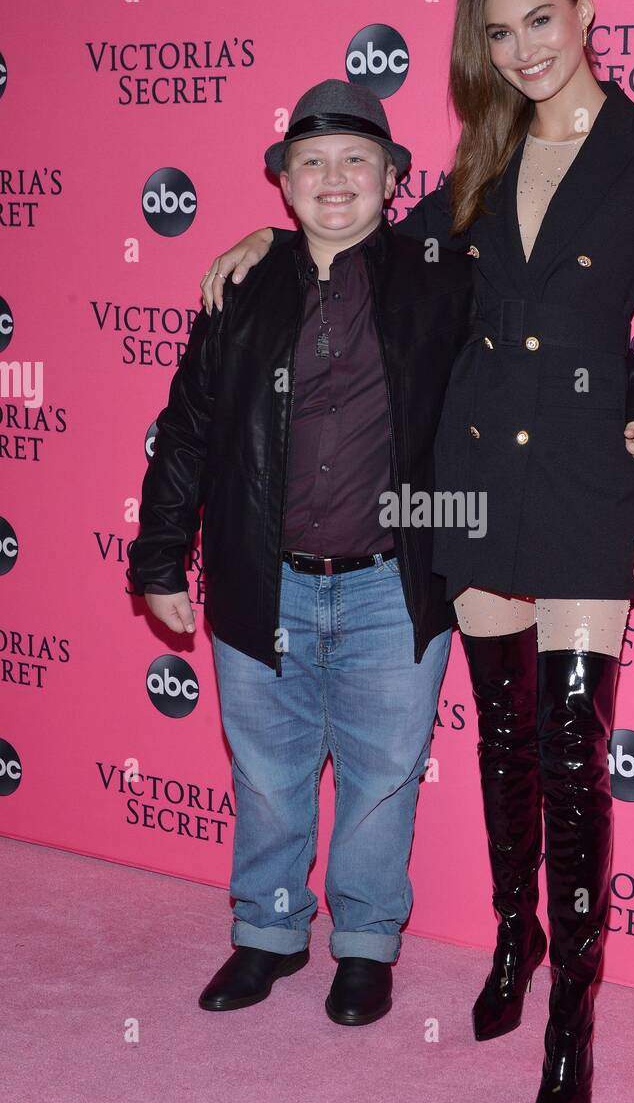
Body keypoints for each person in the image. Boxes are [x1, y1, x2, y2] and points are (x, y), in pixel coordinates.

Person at [199, 0, 634, 1103]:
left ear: (582, 11)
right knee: (501, 748)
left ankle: (570, 1018)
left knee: (572, 759)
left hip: (587, 488)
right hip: (472, 489)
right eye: (497, 33)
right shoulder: (477, 165)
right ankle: (509, 937)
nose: (522, 49)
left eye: (538, 19)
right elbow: (362, 242)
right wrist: (267, 244)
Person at [126, 80, 475, 1027]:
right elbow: (188, 431)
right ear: (282, 184)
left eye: (356, 160)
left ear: (394, 178)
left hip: (391, 587)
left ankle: (365, 946)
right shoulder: (240, 289)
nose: (334, 179)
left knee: (382, 777)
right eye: (311, 161)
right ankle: (269, 934)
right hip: (257, 578)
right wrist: (159, 561)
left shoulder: (443, 279)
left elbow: (542, 341)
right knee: (269, 774)